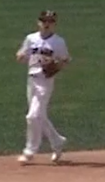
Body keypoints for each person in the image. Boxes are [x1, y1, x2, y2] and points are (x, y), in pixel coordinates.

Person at [15, 10, 71, 164]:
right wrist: (20, 56)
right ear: (38, 23)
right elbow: (21, 54)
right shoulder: (30, 38)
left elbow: (66, 60)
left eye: (50, 21)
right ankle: (57, 141)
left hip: (45, 82)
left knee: (32, 116)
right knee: (39, 116)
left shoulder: (58, 42)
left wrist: (55, 65)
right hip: (31, 80)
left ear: (54, 24)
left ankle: (29, 151)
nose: (47, 24)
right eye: (44, 21)